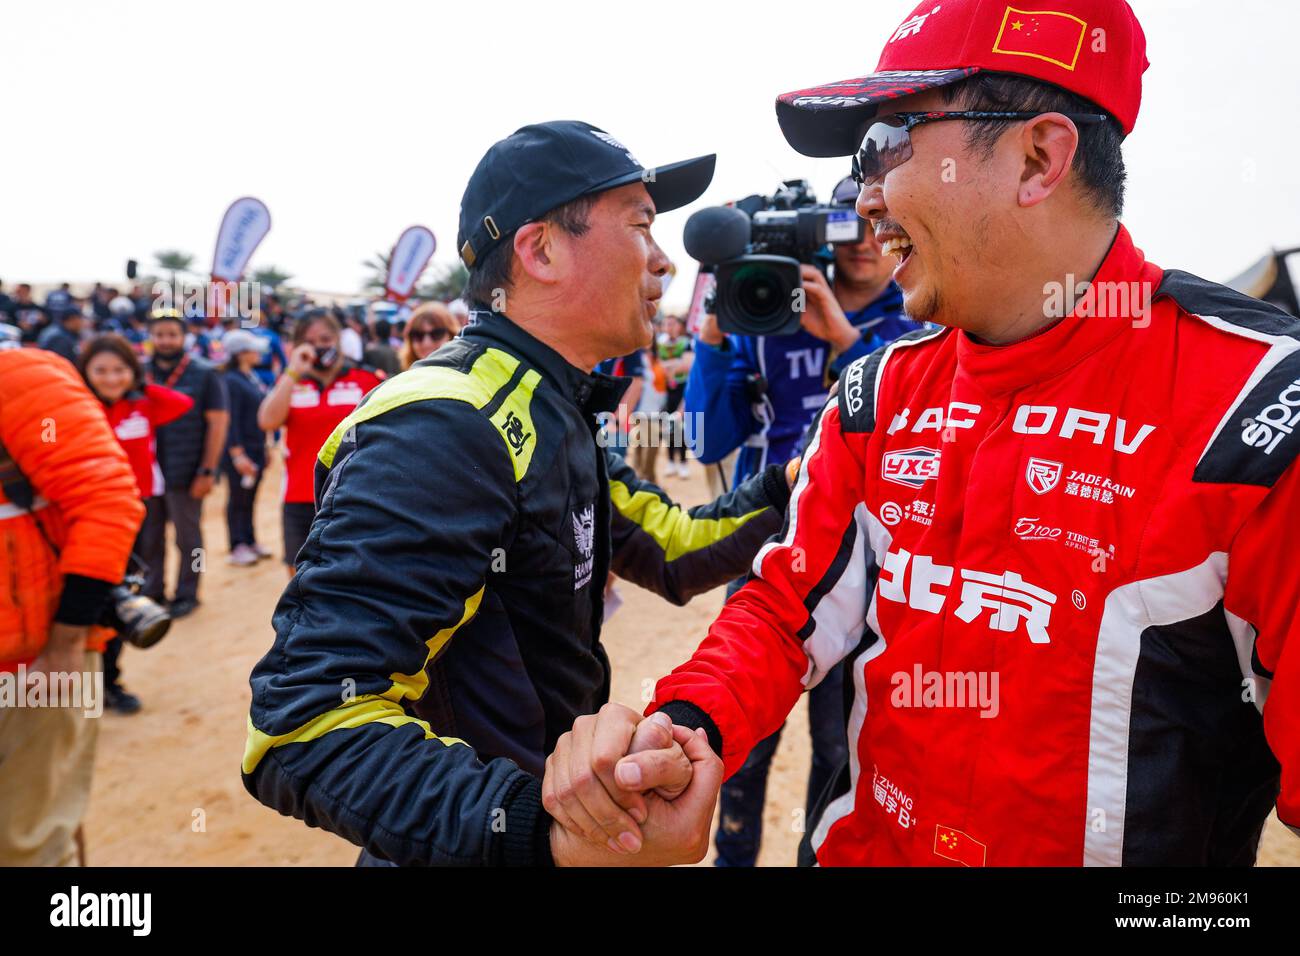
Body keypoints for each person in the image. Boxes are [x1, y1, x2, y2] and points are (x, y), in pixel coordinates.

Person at [548, 0, 1300, 867]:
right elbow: (785, 603)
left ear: (1038, 156)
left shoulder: (1257, 412)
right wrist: (688, 724)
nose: (864, 201)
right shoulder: (877, 389)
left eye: (885, 145)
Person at [242, 120, 746, 866]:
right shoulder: (447, 422)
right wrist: (548, 834)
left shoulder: (551, 401)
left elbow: (671, 547)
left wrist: (801, 477)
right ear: (539, 250)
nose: (665, 263)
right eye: (642, 226)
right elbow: (303, 724)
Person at [0, 348, 144, 865]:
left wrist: (64, 643)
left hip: (36, 661)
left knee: (26, 842)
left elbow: (107, 502)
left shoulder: (18, 377)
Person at [78, 334, 193, 712]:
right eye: (101, 370)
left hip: (135, 512)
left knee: (122, 598)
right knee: (91, 598)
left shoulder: (144, 404)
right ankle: (87, 683)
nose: (111, 378)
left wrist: (140, 387)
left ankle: (109, 681)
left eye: (119, 370)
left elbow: (181, 403)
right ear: (85, 372)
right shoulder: (79, 408)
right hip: (90, 516)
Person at [256, 309, 384, 572]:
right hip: (299, 496)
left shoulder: (365, 378)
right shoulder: (291, 383)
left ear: (337, 339)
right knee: (298, 575)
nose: (318, 346)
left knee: (350, 575)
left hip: (352, 496)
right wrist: (292, 373)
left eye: (325, 339)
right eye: (309, 341)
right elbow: (267, 421)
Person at [143, 310, 229, 619]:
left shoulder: (205, 373)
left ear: (184, 337)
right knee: (149, 539)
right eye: (159, 334)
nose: (166, 341)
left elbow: (219, 424)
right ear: (151, 338)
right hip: (147, 474)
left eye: (172, 334)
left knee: (189, 540)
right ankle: (152, 593)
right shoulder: (140, 373)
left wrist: (207, 470)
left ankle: (188, 593)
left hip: (188, 471)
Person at [220, 330, 271, 567]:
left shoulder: (250, 376)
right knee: (238, 497)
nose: (258, 353)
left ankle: (249, 540)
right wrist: (237, 453)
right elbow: (230, 420)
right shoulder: (231, 381)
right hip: (241, 450)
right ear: (240, 354)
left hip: (256, 446)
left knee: (250, 497)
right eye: (252, 349)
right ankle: (237, 544)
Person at [656, 314, 693, 478]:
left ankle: (683, 462)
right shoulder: (658, 344)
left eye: (673, 324)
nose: (669, 327)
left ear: (679, 326)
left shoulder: (686, 344)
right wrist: (675, 364)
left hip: (682, 388)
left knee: (682, 426)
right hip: (665, 390)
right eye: (666, 324)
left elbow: (687, 365)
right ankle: (671, 461)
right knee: (667, 426)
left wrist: (668, 366)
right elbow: (656, 366)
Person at [399, 301, 458, 370]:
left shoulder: (465, 377)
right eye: (418, 335)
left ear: (452, 335)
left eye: (437, 333)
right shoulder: (404, 378)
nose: (427, 343)